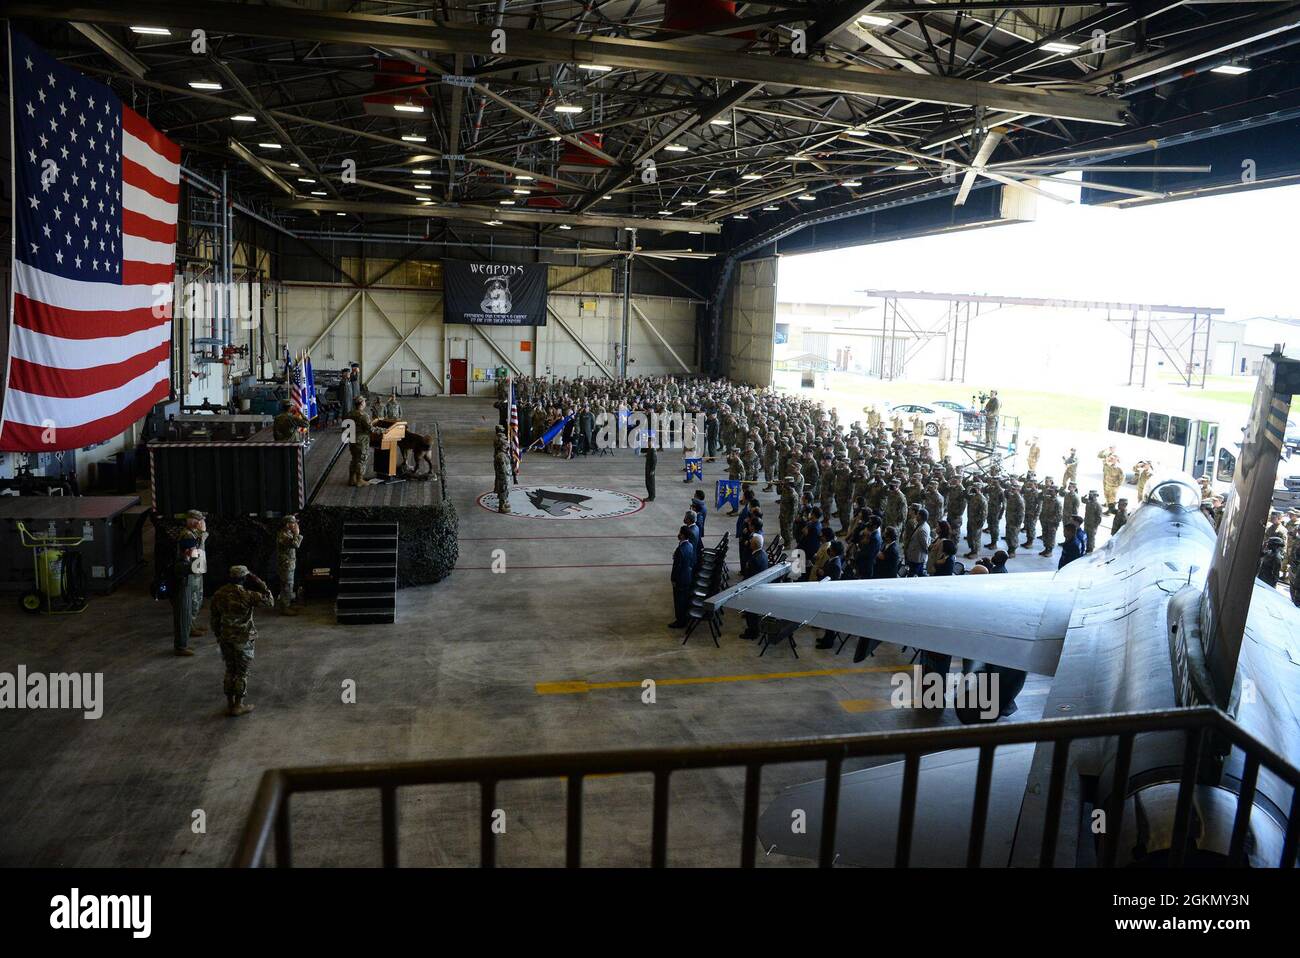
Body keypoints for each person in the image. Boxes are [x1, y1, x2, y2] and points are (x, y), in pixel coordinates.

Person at [210, 565, 274, 717]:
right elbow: (270, 601)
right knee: (242, 672)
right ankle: (238, 705)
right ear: (244, 578)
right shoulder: (248, 595)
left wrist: (218, 635)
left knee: (230, 669)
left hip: (226, 638)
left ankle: (230, 703)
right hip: (243, 639)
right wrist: (259, 581)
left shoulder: (219, 594)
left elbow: (214, 618)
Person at [738, 535, 769, 641]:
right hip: (759, 586)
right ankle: (753, 629)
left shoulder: (755, 559)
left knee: (751, 612)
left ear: (754, 545)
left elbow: (749, 575)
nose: (749, 543)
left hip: (753, 588)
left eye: (751, 542)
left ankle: (753, 632)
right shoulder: (763, 554)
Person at [669, 526, 698, 628]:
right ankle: (684, 618)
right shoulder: (689, 545)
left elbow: (677, 567)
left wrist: (673, 579)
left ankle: (680, 621)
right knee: (684, 599)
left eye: (680, 532)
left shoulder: (680, 549)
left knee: (679, 601)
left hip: (680, 579)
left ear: (682, 535)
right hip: (687, 576)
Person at [276, 515, 303, 615]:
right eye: (293, 523)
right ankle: (285, 608)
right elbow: (296, 545)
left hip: (288, 564)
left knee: (288, 585)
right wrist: (297, 534)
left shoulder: (287, 533)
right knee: (287, 586)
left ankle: (287, 605)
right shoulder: (283, 535)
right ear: (287, 525)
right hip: (285, 565)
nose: (295, 525)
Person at [345, 395, 373, 487]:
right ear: (361, 404)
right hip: (361, 441)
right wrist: (383, 430)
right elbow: (370, 428)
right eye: (364, 401)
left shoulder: (349, 414)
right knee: (361, 459)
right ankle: (359, 480)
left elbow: (345, 428)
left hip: (352, 439)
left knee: (354, 459)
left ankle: (351, 479)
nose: (365, 403)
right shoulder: (364, 415)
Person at [905, 507, 930, 577]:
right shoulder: (921, 525)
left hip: (917, 558)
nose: (916, 516)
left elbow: (925, 545)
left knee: (911, 575)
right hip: (915, 556)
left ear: (920, 516)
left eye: (918, 515)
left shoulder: (922, 529)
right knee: (919, 573)